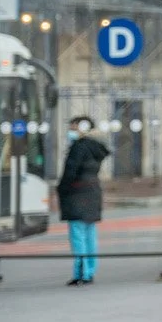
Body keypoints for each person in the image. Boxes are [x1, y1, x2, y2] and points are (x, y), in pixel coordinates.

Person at [56, 117, 109, 287]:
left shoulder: (78, 148)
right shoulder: (95, 148)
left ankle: (81, 273)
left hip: (77, 194)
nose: (70, 132)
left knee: (77, 235)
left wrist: (61, 189)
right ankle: (89, 271)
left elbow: (70, 172)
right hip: (92, 193)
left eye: (73, 128)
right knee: (90, 234)